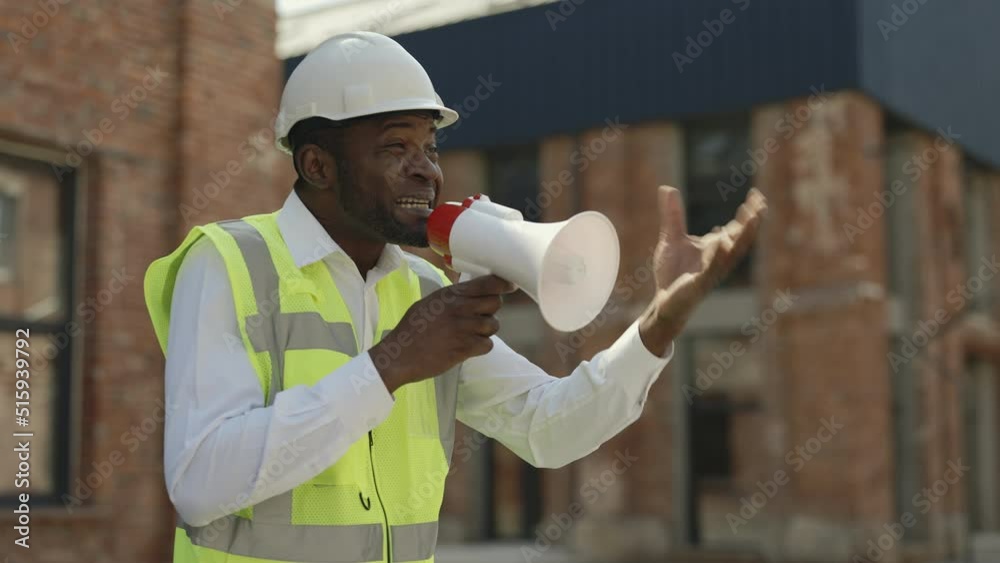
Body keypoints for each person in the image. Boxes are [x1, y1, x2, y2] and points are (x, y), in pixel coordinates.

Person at [143, 31, 766, 563]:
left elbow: (549, 429)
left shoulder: (424, 292)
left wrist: (662, 320)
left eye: (429, 147)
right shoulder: (229, 264)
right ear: (317, 165)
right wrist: (391, 365)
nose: (427, 169)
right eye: (395, 146)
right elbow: (200, 482)